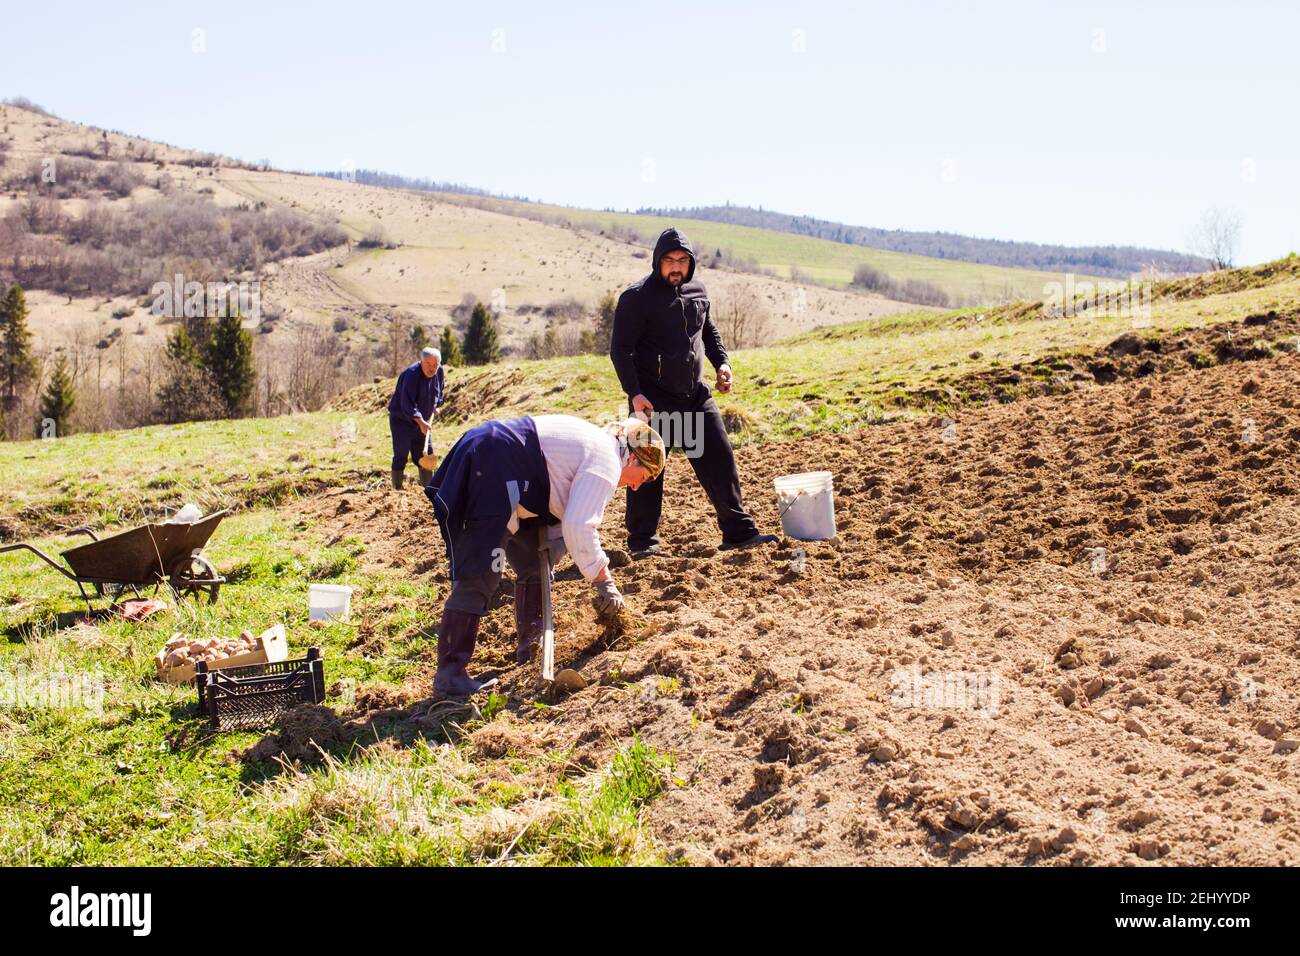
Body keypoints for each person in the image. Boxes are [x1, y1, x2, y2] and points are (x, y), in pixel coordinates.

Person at [424, 414, 666, 697]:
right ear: (634, 459)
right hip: (493, 467)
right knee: (482, 573)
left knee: (533, 564)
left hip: (500, 464)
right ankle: (450, 675)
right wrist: (604, 582)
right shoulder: (607, 461)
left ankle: (532, 649)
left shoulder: (597, 445)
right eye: (644, 478)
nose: (636, 487)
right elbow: (580, 526)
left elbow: (558, 500)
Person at [610, 227, 777, 558]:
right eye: (669, 260)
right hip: (653, 402)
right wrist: (634, 393)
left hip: (695, 396)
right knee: (647, 469)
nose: (676, 267)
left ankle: (738, 533)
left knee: (720, 460)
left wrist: (722, 364)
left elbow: (708, 331)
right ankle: (643, 544)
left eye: (682, 260)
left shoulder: (698, 291)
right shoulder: (636, 298)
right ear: (658, 262)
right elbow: (620, 350)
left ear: (691, 263)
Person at [387, 347, 445, 490]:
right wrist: (420, 422)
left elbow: (439, 390)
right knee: (401, 454)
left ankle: (429, 489)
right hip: (402, 420)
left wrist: (436, 404)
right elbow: (407, 404)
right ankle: (397, 489)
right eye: (428, 364)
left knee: (426, 454)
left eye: (435, 365)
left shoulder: (439, 371)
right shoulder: (411, 375)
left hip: (423, 421)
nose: (432, 368)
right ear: (421, 362)